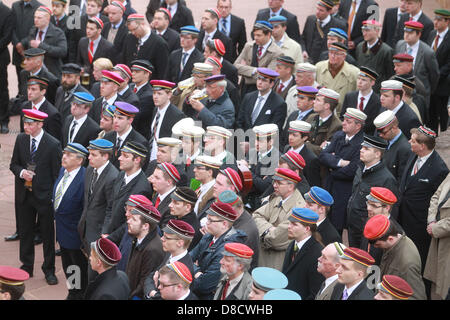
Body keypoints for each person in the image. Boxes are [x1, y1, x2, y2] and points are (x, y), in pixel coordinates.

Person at [10, 109, 62, 284]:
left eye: (30, 124)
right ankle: (26, 266)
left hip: (44, 197)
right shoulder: (21, 139)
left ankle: (49, 269)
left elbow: (57, 175)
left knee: (47, 235)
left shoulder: (53, 144)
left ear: (40, 124)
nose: (26, 126)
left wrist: (52, 197)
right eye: (25, 123)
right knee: (26, 232)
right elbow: (14, 164)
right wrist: (22, 172)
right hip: (24, 194)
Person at [398, 126, 449, 272]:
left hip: (420, 229)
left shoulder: (439, 169)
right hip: (403, 220)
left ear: (422, 146)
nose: (409, 142)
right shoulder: (413, 156)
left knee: (419, 265)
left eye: (412, 141)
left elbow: (439, 200)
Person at [319, 108, 366, 235]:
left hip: (344, 191)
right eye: (344, 120)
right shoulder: (339, 136)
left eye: (348, 121)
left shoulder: (361, 144)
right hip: (329, 185)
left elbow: (352, 171)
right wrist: (339, 162)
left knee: (336, 227)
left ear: (358, 126)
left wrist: (331, 167)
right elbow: (323, 155)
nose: (343, 123)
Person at [347, 134, 399, 248]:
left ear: (377, 154)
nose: (361, 151)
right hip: (353, 227)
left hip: (369, 232)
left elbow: (390, 212)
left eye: (366, 149)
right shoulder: (361, 169)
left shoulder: (386, 179)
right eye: (362, 148)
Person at [189, 201, 247, 300]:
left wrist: (193, 268)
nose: (207, 223)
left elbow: (204, 285)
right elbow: (188, 258)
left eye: (211, 220)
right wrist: (198, 272)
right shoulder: (209, 236)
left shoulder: (227, 249)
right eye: (207, 219)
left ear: (224, 224)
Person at [53, 142, 89, 299]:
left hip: (75, 235)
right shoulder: (63, 170)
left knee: (77, 267)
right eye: (64, 153)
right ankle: (72, 291)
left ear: (80, 160)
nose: (64, 157)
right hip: (62, 230)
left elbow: (85, 208)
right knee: (68, 265)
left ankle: (78, 294)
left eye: (69, 155)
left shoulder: (84, 178)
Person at [363, 214, 426, 300]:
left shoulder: (407, 264)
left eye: (378, 244)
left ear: (390, 239)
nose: (376, 247)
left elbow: (417, 296)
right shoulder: (394, 244)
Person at [253, 168, 305, 270]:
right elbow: (255, 216)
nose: (274, 185)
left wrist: (263, 231)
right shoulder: (278, 198)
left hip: (277, 265)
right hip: (263, 260)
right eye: (274, 182)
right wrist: (269, 229)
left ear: (290, 186)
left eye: (279, 183)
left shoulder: (299, 209)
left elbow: (275, 239)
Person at [102, 141, 152, 245]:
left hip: (123, 240)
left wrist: (111, 238)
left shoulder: (142, 188)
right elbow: (110, 206)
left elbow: (132, 220)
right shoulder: (121, 175)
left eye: (125, 156)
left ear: (137, 160)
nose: (120, 158)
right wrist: (105, 231)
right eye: (121, 155)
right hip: (109, 235)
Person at [78, 139, 118, 263]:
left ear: (105, 156)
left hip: (98, 233)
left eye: (93, 155)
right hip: (85, 228)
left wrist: (105, 232)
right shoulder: (90, 169)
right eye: (89, 154)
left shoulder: (112, 177)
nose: (89, 157)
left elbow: (111, 208)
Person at [145, 219, 196, 300]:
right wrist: (151, 291)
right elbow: (150, 276)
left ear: (180, 243)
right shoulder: (169, 253)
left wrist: (155, 294)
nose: (162, 239)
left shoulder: (185, 269)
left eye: (166, 237)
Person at [125, 197, 165, 299]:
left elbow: (144, 282)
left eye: (134, 219)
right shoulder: (138, 238)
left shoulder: (152, 250)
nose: (128, 221)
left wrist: (129, 296)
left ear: (145, 226)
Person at [282, 208, 324, 300]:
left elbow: (315, 292)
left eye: (294, 224)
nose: (289, 226)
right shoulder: (292, 244)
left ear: (307, 229)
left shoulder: (317, 254)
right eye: (289, 223)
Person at [234, 20, 283, 95]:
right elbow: (235, 67)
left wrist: (245, 73)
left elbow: (268, 76)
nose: (255, 38)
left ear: (269, 35)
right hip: (244, 89)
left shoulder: (277, 52)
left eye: (259, 35)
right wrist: (255, 70)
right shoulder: (249, 46)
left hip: (262, 92)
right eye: (254, 35)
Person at [217, 190, 260, 271]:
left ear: (239, 207)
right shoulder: (235, 219)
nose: (221, 213)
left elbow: (228, 262)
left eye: (226, 209)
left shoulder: (245, 232)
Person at [395, 21, 440, 96]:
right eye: (405, 32)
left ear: (419, 34)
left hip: (419, 94)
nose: (406, 35)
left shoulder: (427, 52)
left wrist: (426, 91)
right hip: (400, 92)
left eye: (410, 33)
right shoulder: (400, 45)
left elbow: (434, 75)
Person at [424, 172, 450, 300]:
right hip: (437, 240)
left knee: (445, 286)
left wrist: (436, 228)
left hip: (446, 241)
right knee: (436, 283)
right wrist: (431, 220)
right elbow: (436, 197)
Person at [236, 68, 286, 132]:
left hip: (263, 140)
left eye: (264, 80)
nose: (260, 82)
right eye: (259, 79)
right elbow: (239, 121)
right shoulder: (248, 97)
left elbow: (275, 129)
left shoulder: (279, 103)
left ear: (271, 84)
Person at [315, 42, 360, 115]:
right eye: (330, 52)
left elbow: (357, 96)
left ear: (344, 56)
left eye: (336, 54)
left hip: (342, 116)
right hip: (321, 113)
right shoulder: (319, 67)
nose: (332, 56)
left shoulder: (354, 73)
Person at [22, 6, 67, 78]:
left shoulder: (57, 33)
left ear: (47, 19)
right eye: (35, 17)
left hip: (52, 73)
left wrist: (41, 45)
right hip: (34, 72)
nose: (36, 20)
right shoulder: (33, 30)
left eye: (39, 18)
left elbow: (62, 51)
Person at [122, 13, 169, 79]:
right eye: (130, 30)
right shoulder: (129, 38)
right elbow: (124, 60)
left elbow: (162, 71)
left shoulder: (159, 43)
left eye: (134, 29)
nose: (133, 33)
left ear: (143, 24)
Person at [148, 80, 186, 161]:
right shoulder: (155, 110)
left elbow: (178, 144)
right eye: (154, 93)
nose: (155, 96)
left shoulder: (177, 115)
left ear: (169, 95)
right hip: (152, 156)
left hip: (165, 160)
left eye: (159, 93)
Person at [103, 101, 148, 169]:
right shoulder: (107, 137)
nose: (115, 121)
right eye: (114, 117)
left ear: (130, 120)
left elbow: (141, 168)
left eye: (120, 118)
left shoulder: (140, 142)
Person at [340, 66, 382, 135]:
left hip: (366, 136)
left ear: (372, 83)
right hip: (348, 134)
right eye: (358, 79)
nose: (359, 82)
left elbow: (374, 124)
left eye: (364, 80)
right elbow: (342, 116)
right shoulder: (350, 96)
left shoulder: (377, 101)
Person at [427, 9, 450, 134]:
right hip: (429, 85)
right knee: (431, 115)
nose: (435, 22)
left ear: (447, 22)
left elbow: (448, 64)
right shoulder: (431, 34)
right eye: (435, 19)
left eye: (439, 20)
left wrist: (436, 76)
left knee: (443, 115)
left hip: (442, 85)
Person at [355, 20, 394, 93]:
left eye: (367, 30)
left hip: (377, 92)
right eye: (363, 30)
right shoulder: (359, 47)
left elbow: (389, 75)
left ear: (376, 31)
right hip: (361, 90)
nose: (364, 33)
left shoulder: (386, 51)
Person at [374, 110, 413, 182]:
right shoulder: (386, 141)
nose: (380, 135)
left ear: (394, 127)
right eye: (379, 132)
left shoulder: (405, 149)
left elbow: (401, 180)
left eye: (383, 132)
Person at [21, 75, 62, 141]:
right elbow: (23, 134)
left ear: (43, 91)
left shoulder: (52, 114)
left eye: (33, 89)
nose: (29, 92)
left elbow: (55, 142)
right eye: (28, 88)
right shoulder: (24, 107)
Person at [77, 17, 115, 85]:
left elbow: (110, 68)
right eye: (87, 28)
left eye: (91, 29)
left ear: (99, 30)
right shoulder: (82, 42)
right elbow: (79, 61)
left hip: (99, 82)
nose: (88, 31)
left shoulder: (108, 46)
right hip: (84, 79)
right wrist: (81, 69)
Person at [306, 87, 342, 156]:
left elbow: (324, 152)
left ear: (326, 106)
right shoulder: (311, 117)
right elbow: (300, 138)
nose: (314, 101)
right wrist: (317, 148)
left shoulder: (337, 126)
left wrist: (306, 144)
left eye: (318, 100)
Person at [129, 59, 156, 139]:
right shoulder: (129, 87)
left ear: (147, 74)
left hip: (138, 135)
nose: (133, 74)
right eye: (132, 71)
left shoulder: (149, 95)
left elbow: (137, 117)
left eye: (137, 72)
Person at [148, 162, 179, 229]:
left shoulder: (174, 204)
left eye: (157, 178)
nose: (152, 181)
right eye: (153, 176)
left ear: (169, 182)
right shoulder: (158, 194)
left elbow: (162, 231)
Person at [0, 2, 13, 134]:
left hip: (0, 57)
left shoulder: (6, 12)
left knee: (2, 90)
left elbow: (7, 37)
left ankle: (4, 121)